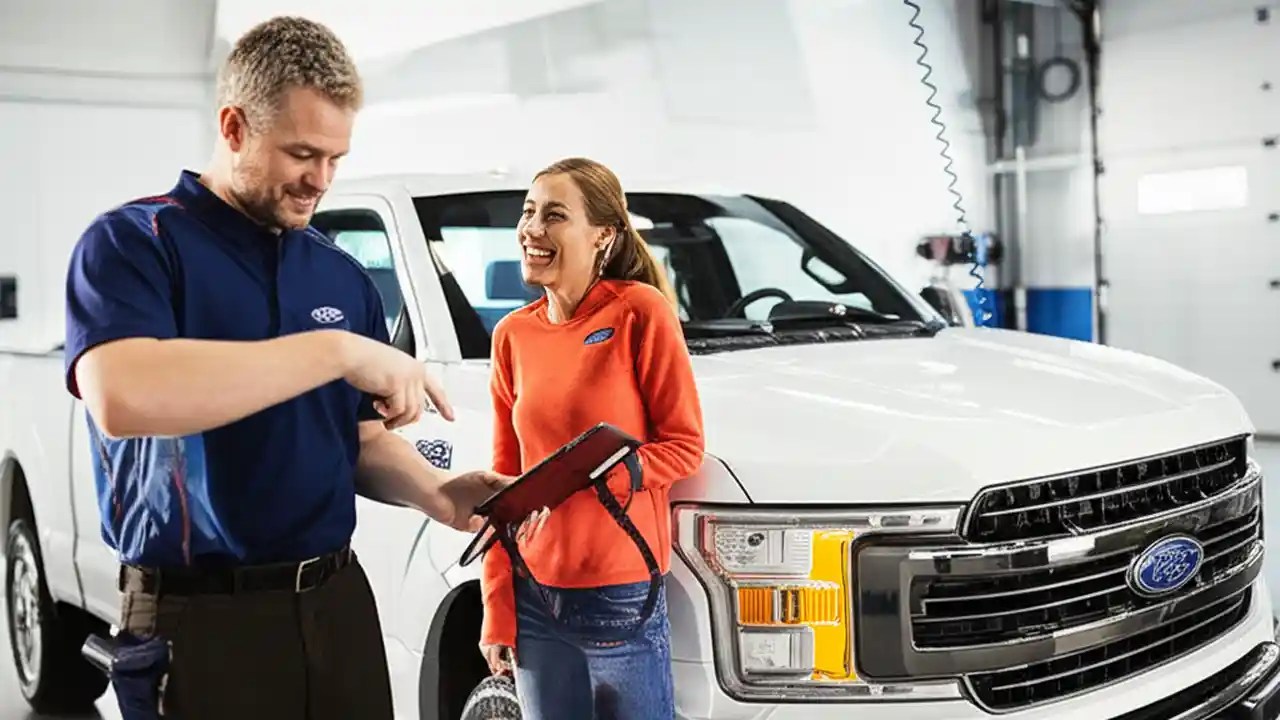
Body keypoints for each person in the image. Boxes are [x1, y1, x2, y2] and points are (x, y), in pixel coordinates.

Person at [63, 16, 510, 720]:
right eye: (302, 153)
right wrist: (336, 352)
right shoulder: (134, 244)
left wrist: (438, 493)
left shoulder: (339, 277)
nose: (321, 180)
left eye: (337, 158)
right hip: (198, 616)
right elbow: (122, 394)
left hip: (336, 603)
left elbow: (357, 441)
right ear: (234, 126)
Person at [477, 157, 707, 719]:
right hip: (535, 601)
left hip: (621, 597)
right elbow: (506, 486)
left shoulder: (639, 312)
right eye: (528, 212)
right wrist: (497, 606)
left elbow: (683, 443)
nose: (532, 230)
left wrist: (619, 471)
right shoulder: (513, 335)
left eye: (555, 216)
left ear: (603, 234)